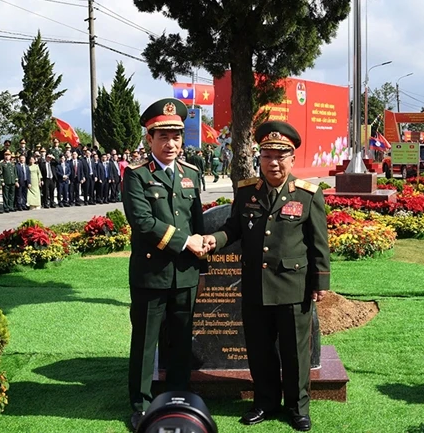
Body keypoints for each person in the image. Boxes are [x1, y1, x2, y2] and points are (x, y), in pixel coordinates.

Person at [206, 121, 331, 432]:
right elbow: (233, 228)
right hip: (255, 287)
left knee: (295, 353)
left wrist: (321, 282)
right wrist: (214, 241)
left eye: (280, 155)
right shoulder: (247, 191)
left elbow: (319, 243)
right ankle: (264, 401)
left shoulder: (307, 195)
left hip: (292, 287)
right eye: (267, 155)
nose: (273, 162)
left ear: (291, 158)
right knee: (259, 350)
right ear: (259, 157)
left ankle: (297, 407)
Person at [122, 98, 207, 432]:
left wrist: (201, 259)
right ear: (150, 139)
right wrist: (186, 241)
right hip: (151, 274)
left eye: (176, 136)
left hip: (184, 273)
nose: (170, 143)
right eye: (163, 137)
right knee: (145, 343)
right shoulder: (137, 176)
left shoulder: (191, 175)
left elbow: (197, 221)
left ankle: (179, 397)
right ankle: (141, 405)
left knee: (182, 340)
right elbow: (142, 223)